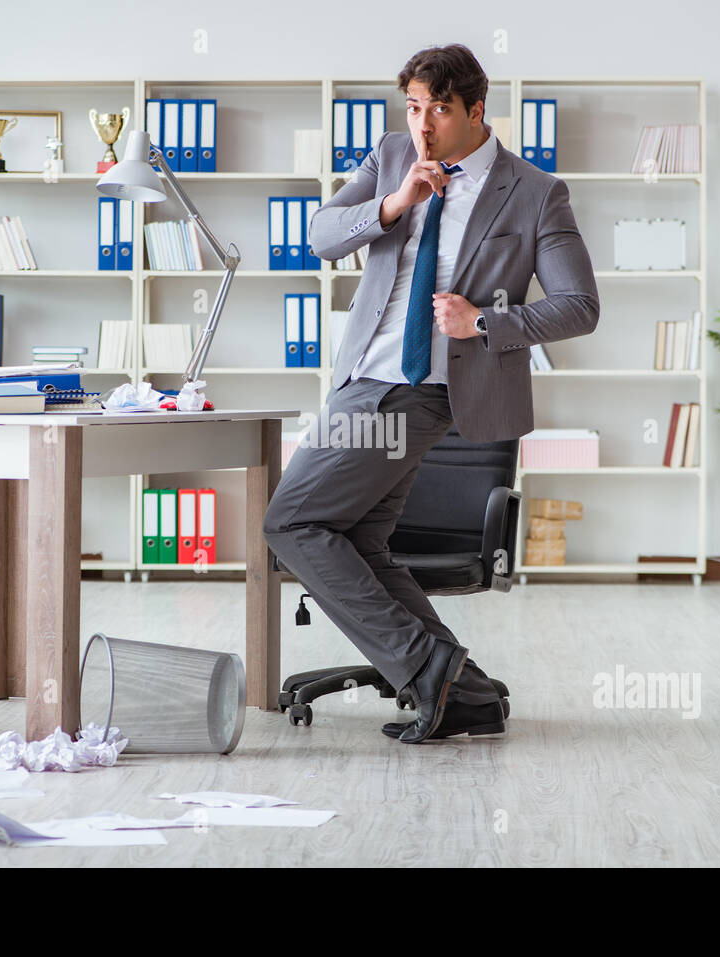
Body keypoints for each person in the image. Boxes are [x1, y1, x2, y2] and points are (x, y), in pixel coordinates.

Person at [263, 43, 599, 743]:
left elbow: (579, 305)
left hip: (420, 387)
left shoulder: (534, 191)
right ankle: (466, 693)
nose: (423, 125)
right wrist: (394, 203)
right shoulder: (391, 158)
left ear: (476, 112)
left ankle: (429, 670)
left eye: (439, 110)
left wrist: (485, 321)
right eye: (414, 107)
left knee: (290, 522)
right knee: (360, 538)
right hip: (362, 375)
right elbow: (320, 234)